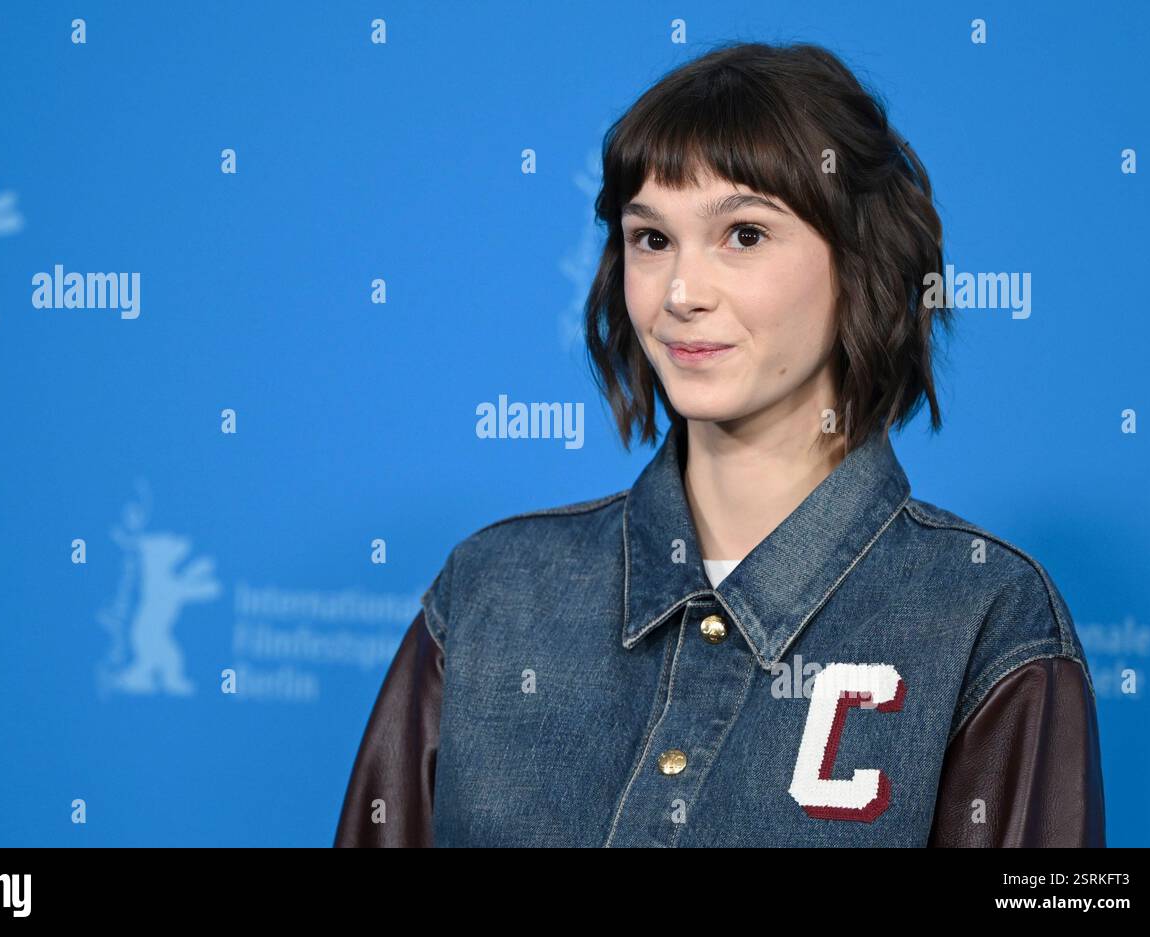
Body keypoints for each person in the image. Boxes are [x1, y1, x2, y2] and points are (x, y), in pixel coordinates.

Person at [334, 41, 1105, 847]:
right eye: (651, 239)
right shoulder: (488, 592)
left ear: (862, 261)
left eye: (743, 234)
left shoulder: (989, 618)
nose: (681, 294)